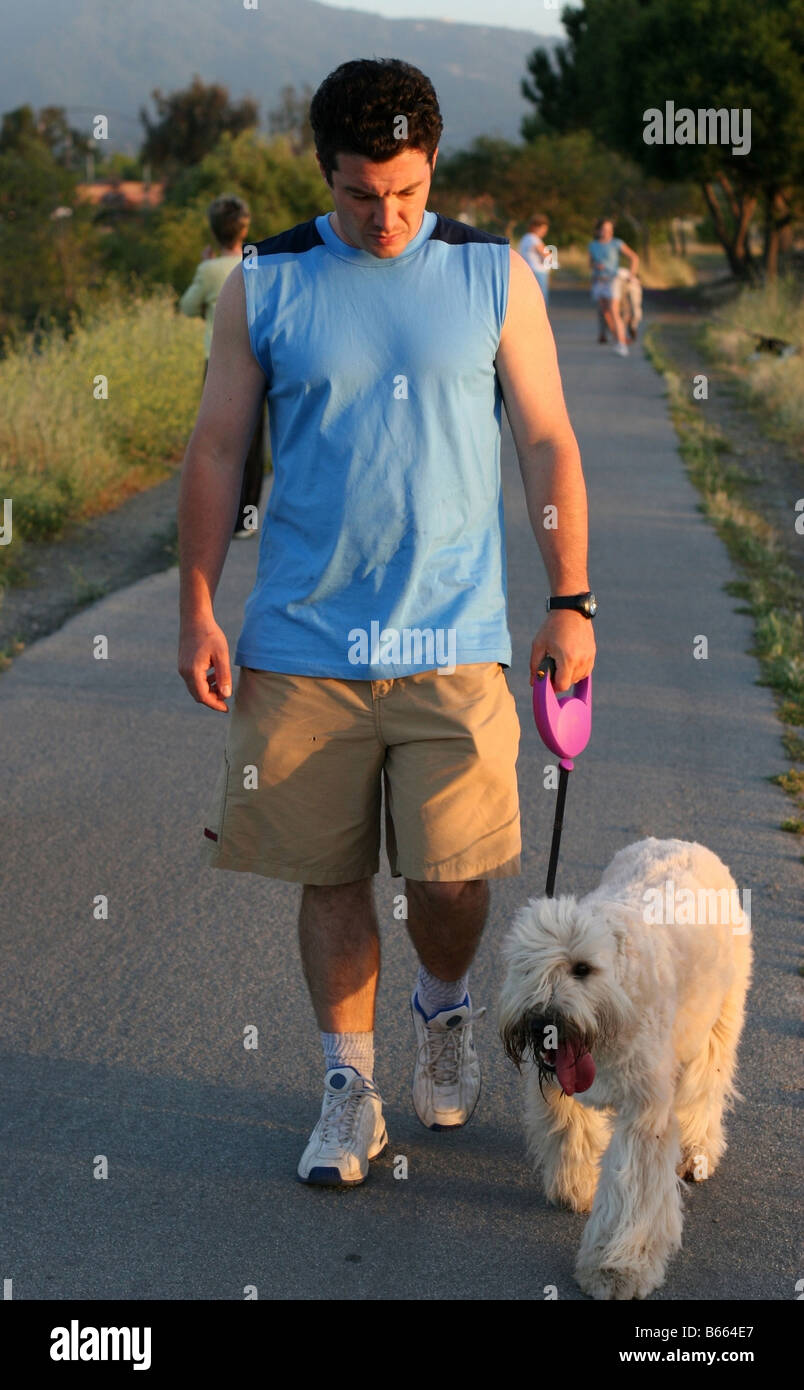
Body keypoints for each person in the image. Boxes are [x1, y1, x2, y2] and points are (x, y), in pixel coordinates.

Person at [177, 58, 596, 1188]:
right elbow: (219, 450)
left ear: (433, 168)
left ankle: (445, 1005)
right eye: (363, 194)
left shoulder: (492, 274)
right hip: (303, 646)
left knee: (453, 884)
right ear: (325, 175)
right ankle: (348, 1087)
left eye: (408, 190)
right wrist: (199, 605)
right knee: (330, 874)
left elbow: (547, 440)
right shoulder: (266, 282)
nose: (388, 215)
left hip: (453, 641)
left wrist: (570, 596)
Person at [179, 195, 265, 537]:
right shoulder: (257, 263)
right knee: (254, 444)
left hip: (216, 365)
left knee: (218, 444)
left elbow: (187, 307)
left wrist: (205, 267)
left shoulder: (208, 270)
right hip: (257, 363)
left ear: (213, 232)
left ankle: (218, 517)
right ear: (245, 227)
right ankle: (247, 520)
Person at [588, 217, 639, 357]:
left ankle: (621, 344)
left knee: (614, 310)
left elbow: (634, 258)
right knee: (605, 313)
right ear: (598, 231)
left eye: (609, 230)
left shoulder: (617, 243)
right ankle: (619, 338)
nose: (607, 233)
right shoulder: (592, 245)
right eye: (604, 230)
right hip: (599, 281)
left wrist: (631, 276)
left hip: (613, 280)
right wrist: (595, 266)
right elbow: (590, 264)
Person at [518, 214, 552, 306]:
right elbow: (547, 255)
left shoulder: (525, 238)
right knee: (541, 301)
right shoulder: (533, 238)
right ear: (535, 227)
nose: (544, 232)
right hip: (538, 272)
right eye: (543, 229)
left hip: (529, 271)